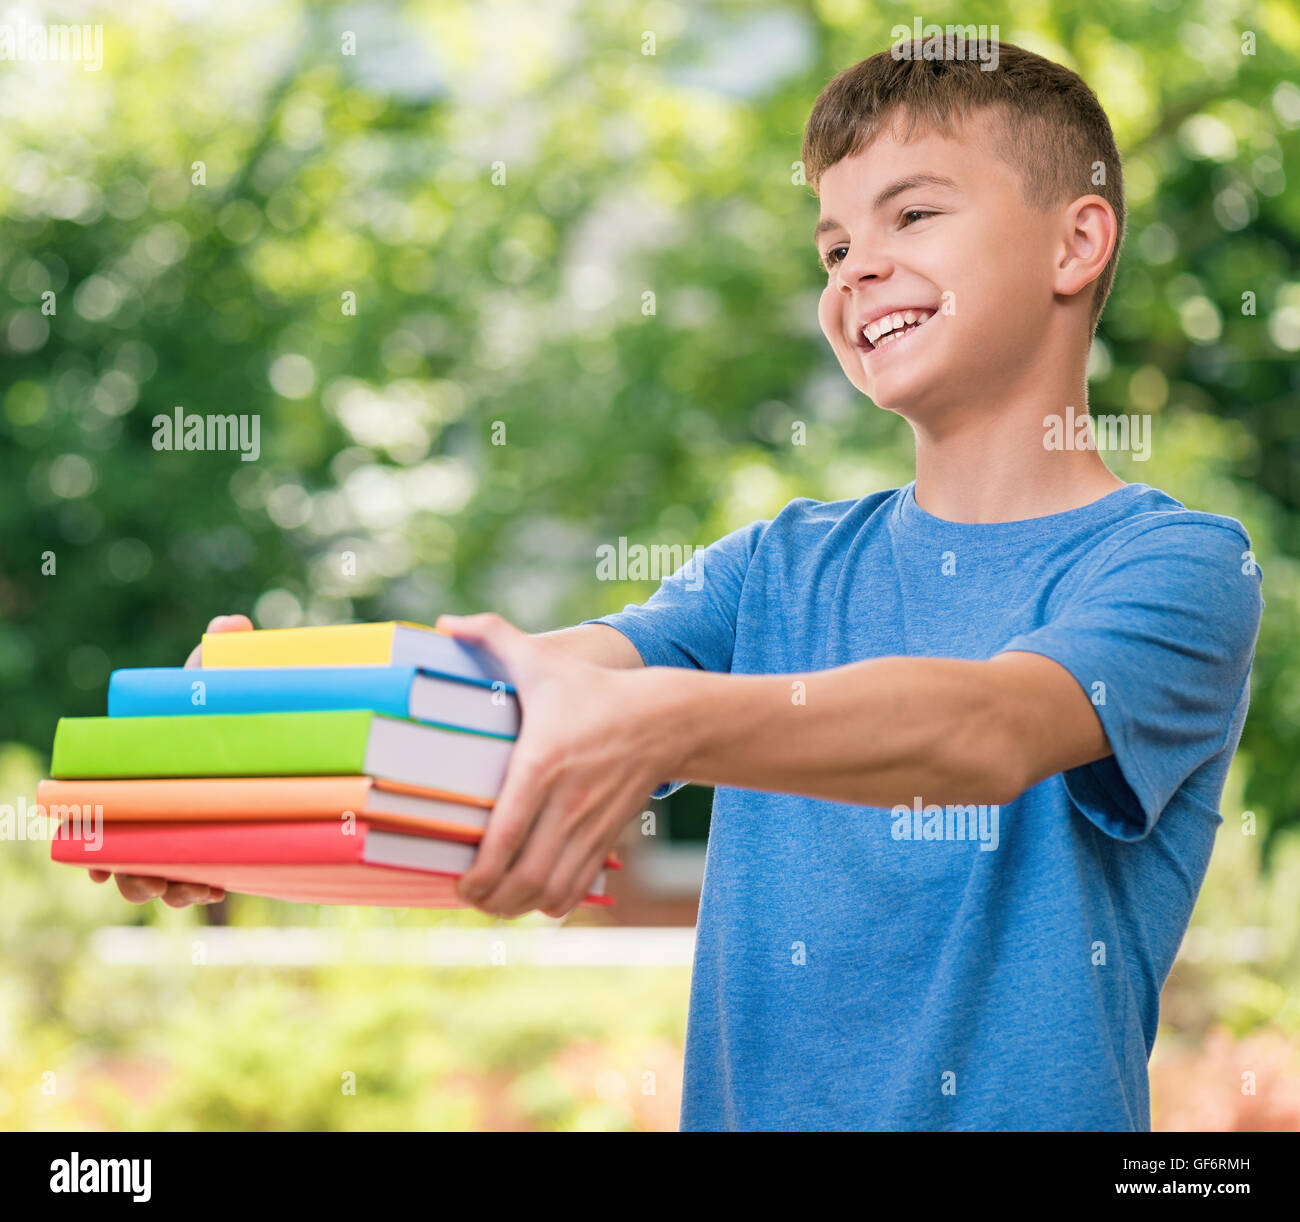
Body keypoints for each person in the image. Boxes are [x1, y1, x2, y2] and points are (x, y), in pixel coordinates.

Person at [95, 42, 1263, 1132]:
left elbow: (981, 731)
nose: (860, 265)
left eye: (912, 213)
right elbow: (529, 688)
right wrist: (248, 756)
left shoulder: (1177, 568)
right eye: (833, 245)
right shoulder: (773, 567)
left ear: (1076, 243)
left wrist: (653, 723)